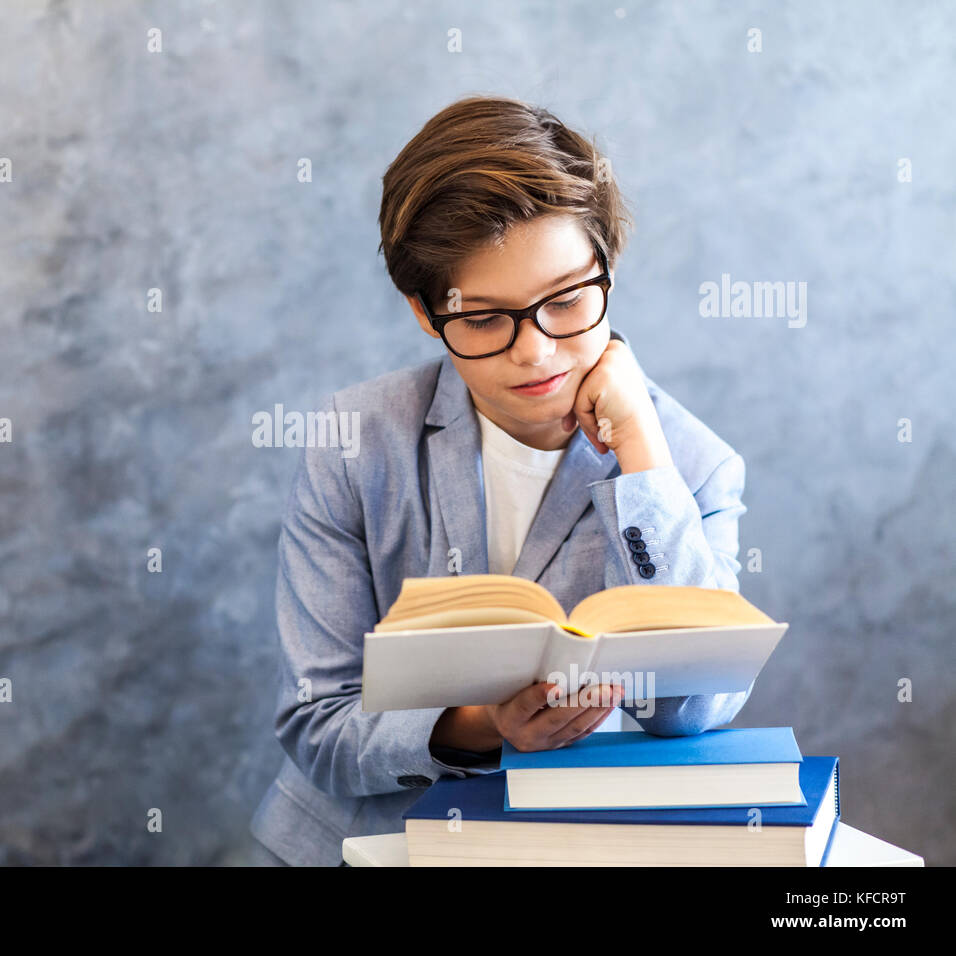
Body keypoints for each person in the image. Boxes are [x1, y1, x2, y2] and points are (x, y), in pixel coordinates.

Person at [249, 95, 752, 867]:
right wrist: (479, 724)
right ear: (425, 313)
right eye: (484, 319)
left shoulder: (692, 463)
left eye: (567, 302)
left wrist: (644, 454)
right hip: (363, 846)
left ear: (607, 274)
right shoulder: (354, 444)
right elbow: (317, 722)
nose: (538, 353)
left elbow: (701, 705)